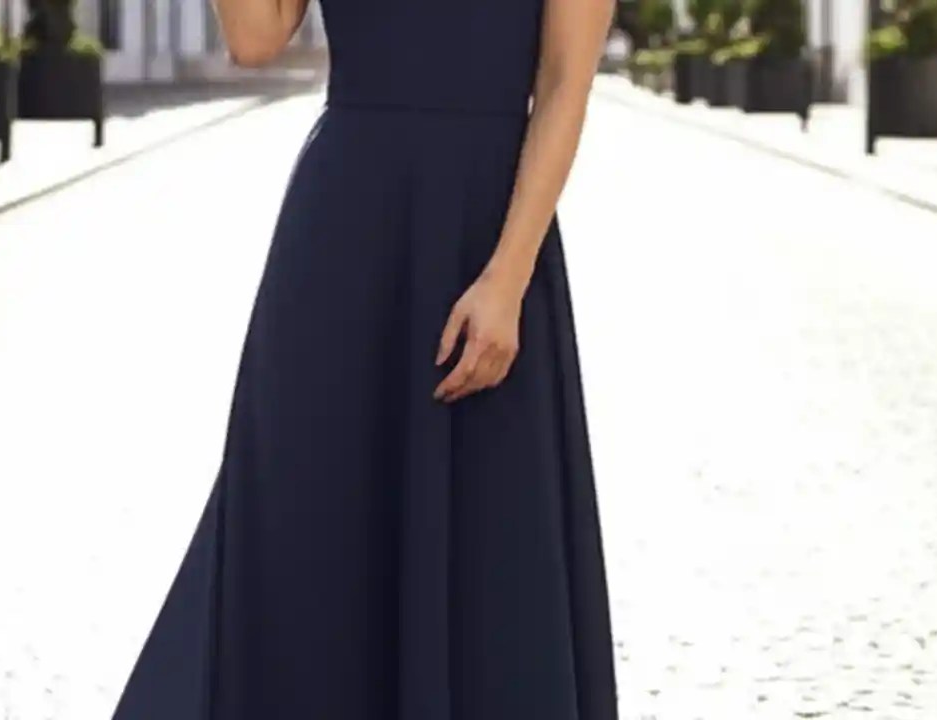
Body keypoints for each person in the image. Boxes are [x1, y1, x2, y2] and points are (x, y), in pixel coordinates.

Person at [111, 0, 618, 716]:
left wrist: (508, 278)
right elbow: (255, 39)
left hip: (487, 232)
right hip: (342, 232)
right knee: (303, 523)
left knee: (489, 546)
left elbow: (566, 80)